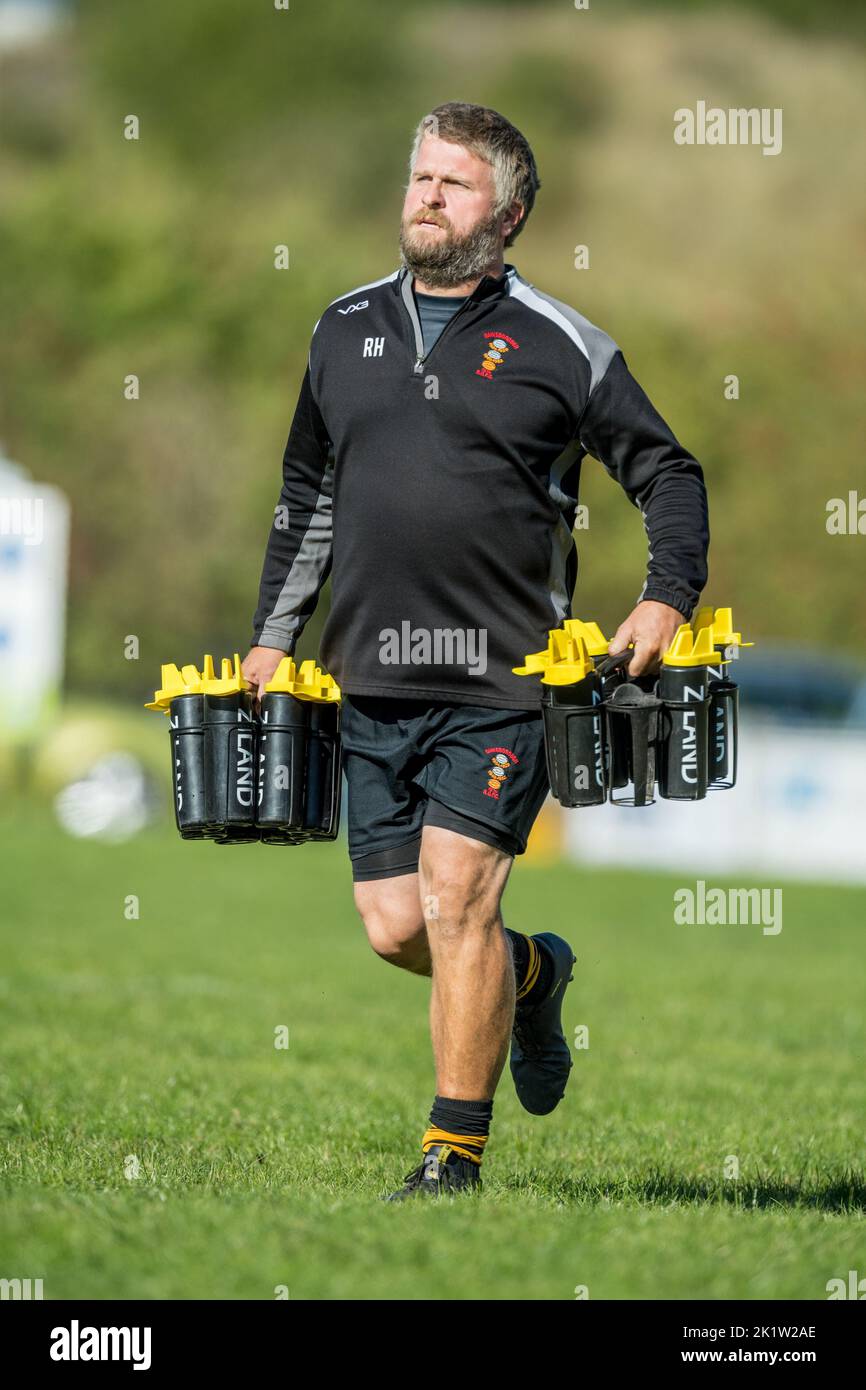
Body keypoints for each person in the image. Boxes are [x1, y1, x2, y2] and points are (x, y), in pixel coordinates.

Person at [242, 101, 709, 1200]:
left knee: (458, 898)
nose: (424, 196)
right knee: (396, 924)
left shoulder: (565, 345)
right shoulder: (338, 328)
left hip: (502, 680)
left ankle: (450, 1159)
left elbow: (668, 473)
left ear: (506, 210)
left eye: (451, 182)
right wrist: (271, 637)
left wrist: (665, 598)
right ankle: (535, 973)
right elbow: (305, 494)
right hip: (370, 676)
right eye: (417, 177)